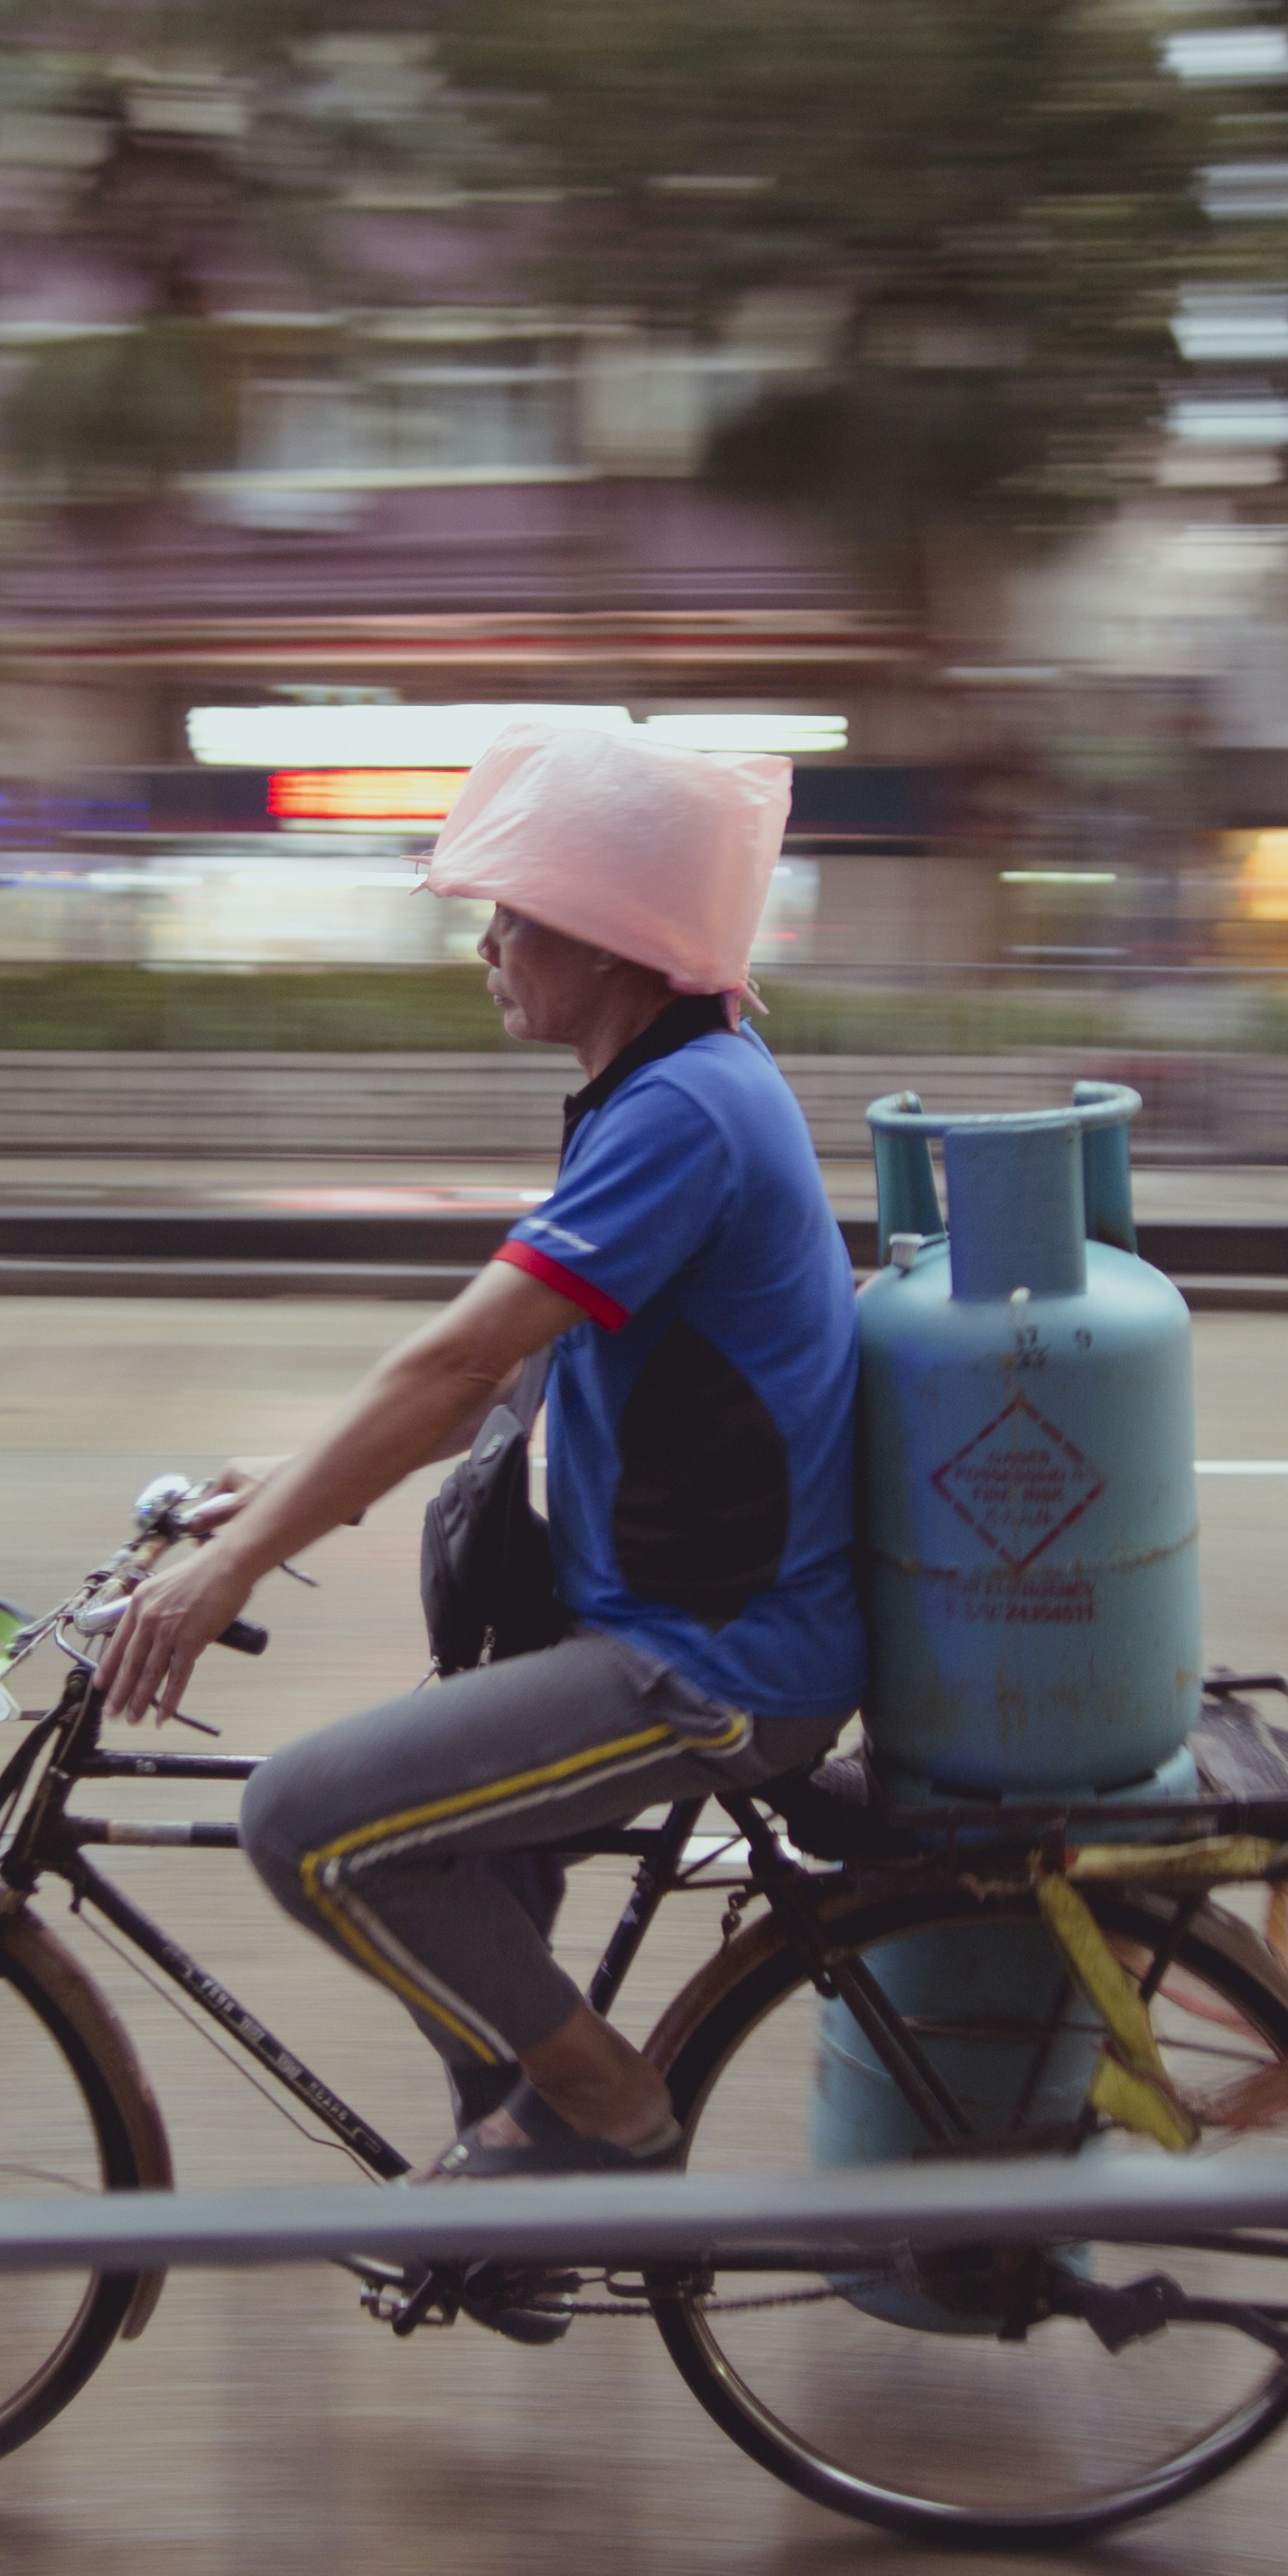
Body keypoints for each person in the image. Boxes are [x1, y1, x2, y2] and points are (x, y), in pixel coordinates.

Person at [98, 729, 861, 2179]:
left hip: (713, 1662)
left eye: (516, 917)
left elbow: (456, 1359)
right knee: (447, 1837)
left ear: (616, 940)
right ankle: (525, 2213)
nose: (489, 947)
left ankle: (607, 2108)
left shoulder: (684, 1111)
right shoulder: (672, 1088)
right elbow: (507, 1365)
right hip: (676, 1620)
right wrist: (294, 1479)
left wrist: (237, 1569)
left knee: (307, 1820)